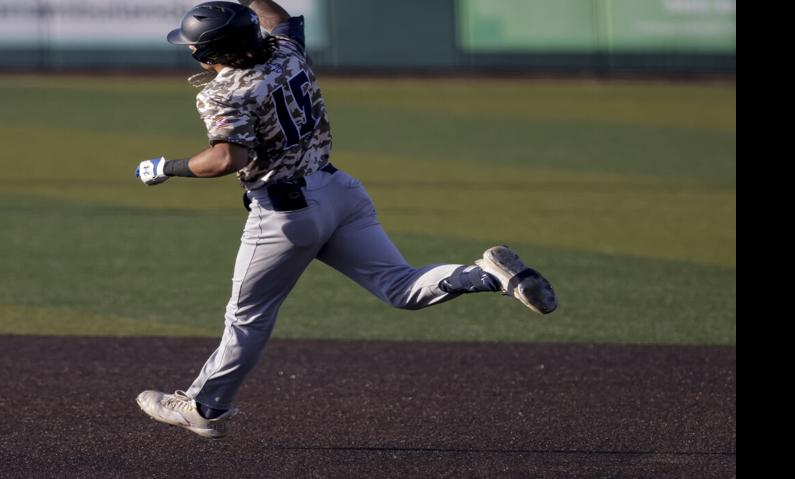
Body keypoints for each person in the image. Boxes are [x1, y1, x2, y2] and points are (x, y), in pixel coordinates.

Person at [133, 0, 557, 440]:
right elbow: (280, 20)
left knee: (247, 318)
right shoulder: (286, 52)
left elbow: (226, 158)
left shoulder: (222, 92)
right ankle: (485, 276)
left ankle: (204, 408)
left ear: (210, 53)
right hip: (340, 191)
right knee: (401, 287)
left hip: (285, 216)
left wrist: (166, 167)